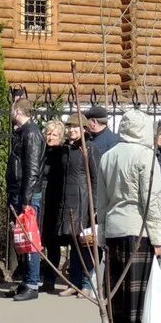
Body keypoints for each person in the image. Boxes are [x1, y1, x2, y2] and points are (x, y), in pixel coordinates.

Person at [96, 108, 161, 323]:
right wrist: (160, 238)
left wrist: (103, 233)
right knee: (140, 286)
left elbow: (102, 201)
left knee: (118, 285)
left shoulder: (108, 156)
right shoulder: (145, 156)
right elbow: (153, 200)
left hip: (115, 229)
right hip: (139, 230)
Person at [6, 96, 47, 301]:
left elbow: (31, 169)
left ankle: (32, 283)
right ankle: (25, 281)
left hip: (26, 194)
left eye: (12, 110)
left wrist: (26, 198)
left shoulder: (31, 134)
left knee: (29, 238)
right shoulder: (22, 132)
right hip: (19, 192)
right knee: (21, 239)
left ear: (18, 111)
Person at [57, 115, 95, 296]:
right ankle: (74, 282)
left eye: (75, 127)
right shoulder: (67, 149)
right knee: (73, 242)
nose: (71, 130)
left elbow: (94, 178)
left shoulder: (89, 149)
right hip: (69, 201)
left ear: (84, 129)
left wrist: (94, 205)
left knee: (85, 243)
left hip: (83, 200)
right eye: (70, 127)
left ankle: (87, 285)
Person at [40, 119, 67, 293]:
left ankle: (50, 279)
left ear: (61, 137)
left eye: (54, 134)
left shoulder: (62, 154)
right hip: (40, 199)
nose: (50, 137)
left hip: (53, 201)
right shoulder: (41, 151)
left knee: (52, 243)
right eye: (48, 134)